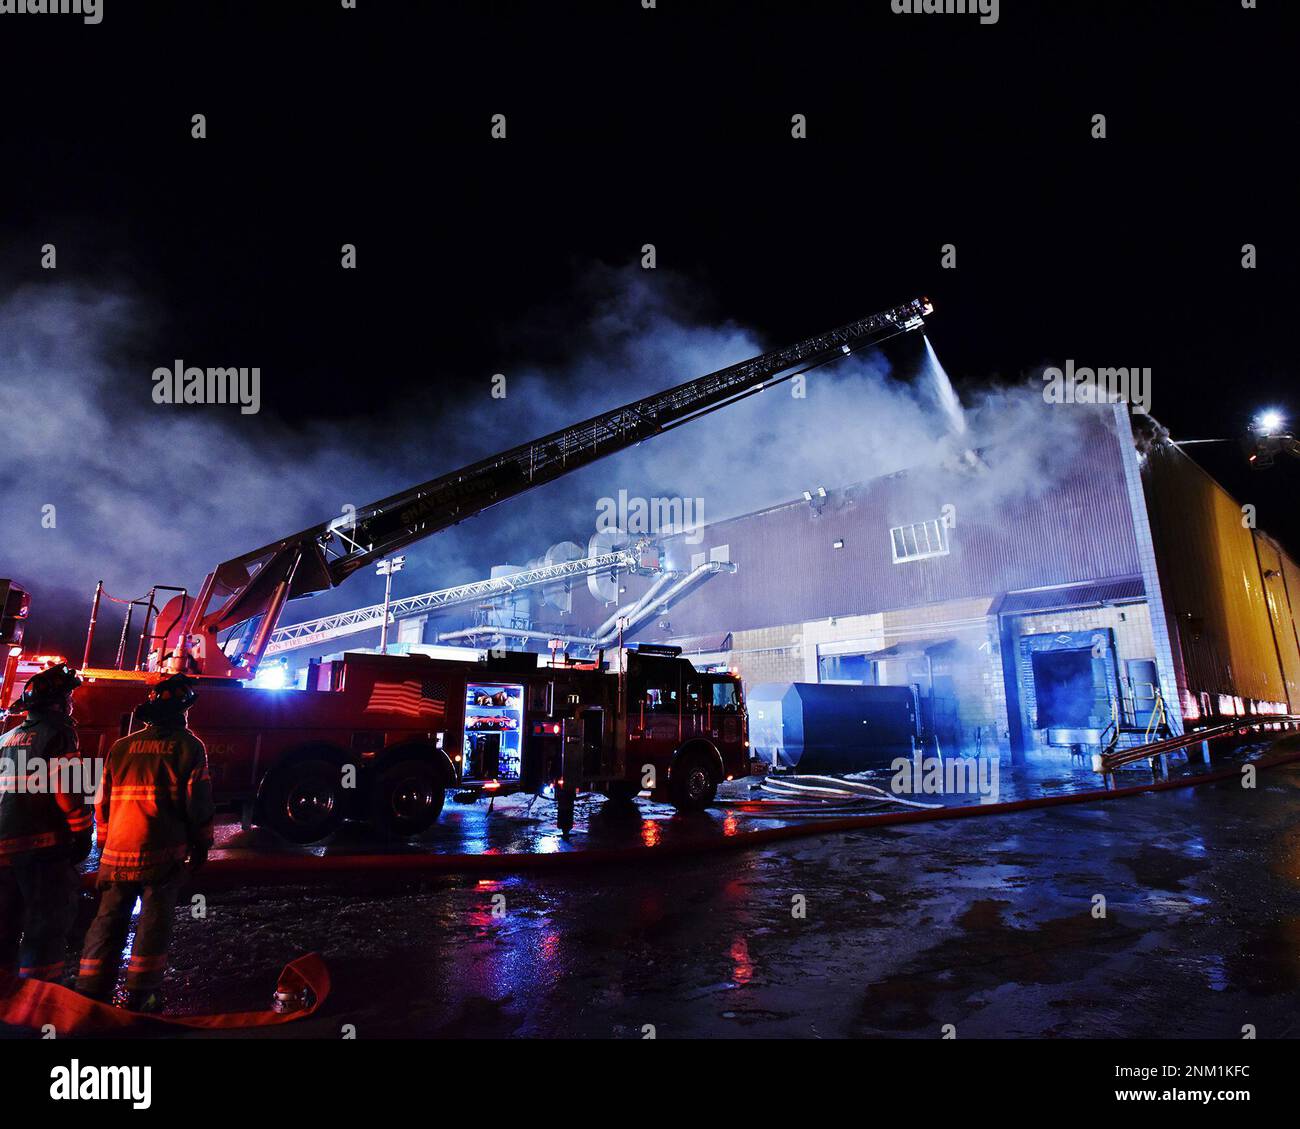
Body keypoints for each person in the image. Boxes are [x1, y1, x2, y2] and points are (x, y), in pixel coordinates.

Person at [76, 673, 213, 1012]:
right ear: (182, 712)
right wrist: (201, 844)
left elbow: (101, 802)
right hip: (160, 855)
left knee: (107, 920)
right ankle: (142, 993)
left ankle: (90, 991)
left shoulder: (121, 748)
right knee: (153, 922)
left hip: (117, 853)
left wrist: (106, 845)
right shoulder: (189, 747)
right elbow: (198, 803)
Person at [0, 663, 92, 982]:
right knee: (46, 924)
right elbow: (69, 788)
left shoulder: (7, 737)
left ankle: (6, 1000)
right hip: (42, 848)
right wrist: (82, 832)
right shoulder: (61, 733)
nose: (70, 703)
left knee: (5, 925)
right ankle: (40, 1002)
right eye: (68, 696)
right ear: (59, 702)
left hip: (4, 848)